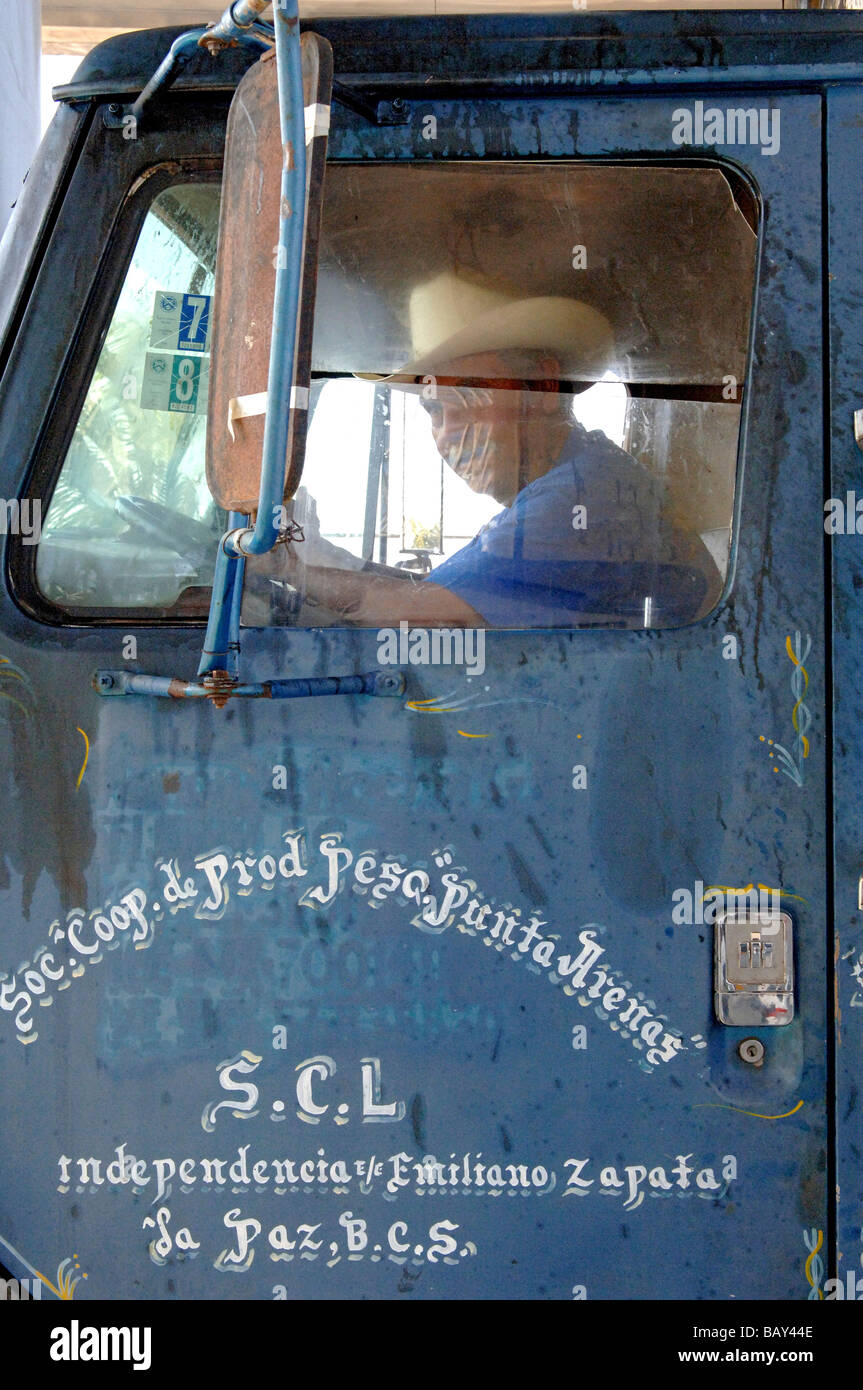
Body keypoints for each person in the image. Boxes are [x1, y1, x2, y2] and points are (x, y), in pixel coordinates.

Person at [247, 271, 719, 629]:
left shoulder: (576, 499)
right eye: (434, 411)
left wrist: (290, 570)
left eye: (471, 395)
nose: (448, 433)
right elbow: (439, 592)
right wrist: (318, 559)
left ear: (542, 385)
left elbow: (429, 614)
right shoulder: (581, 474)